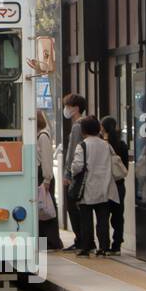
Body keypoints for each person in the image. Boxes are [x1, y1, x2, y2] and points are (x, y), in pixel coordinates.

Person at [69, 115, 118, 256]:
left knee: (86, 220)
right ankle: (103, 247)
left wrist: (72, 171)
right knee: (103, 220)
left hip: (87, 187)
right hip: (104, 186)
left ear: (83, 130)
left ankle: (87, 247)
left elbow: (77, 166)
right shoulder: (106, 144)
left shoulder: (82, 145)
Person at [60, 92, 89, 250]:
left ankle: (81, 240)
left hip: (76, 173)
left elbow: (72, 151)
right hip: (85, 172)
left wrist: (67, 173)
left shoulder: (78, 126)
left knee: (73, 207)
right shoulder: (85, 123)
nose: (66, 109)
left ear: (76, 108)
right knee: (82, 208)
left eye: (68, 106)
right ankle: (85, 240)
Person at [101, 116, 130, 255]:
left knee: (103, 216)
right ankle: (117, 245)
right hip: (119, 185)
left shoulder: (101, 145)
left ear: (103, 128)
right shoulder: (122, 145)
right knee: (118, 215)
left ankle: (104, 245)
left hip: (104, 185)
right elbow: (125, 168)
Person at [36, 110, 62, 251]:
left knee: (47, 209)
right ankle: (45, 241)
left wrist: (47, 179)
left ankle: (52, 241)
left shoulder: (43, 136)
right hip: (41, 176)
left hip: (43, 177)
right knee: (42, 209)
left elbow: (46, 159)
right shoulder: (38, 136)